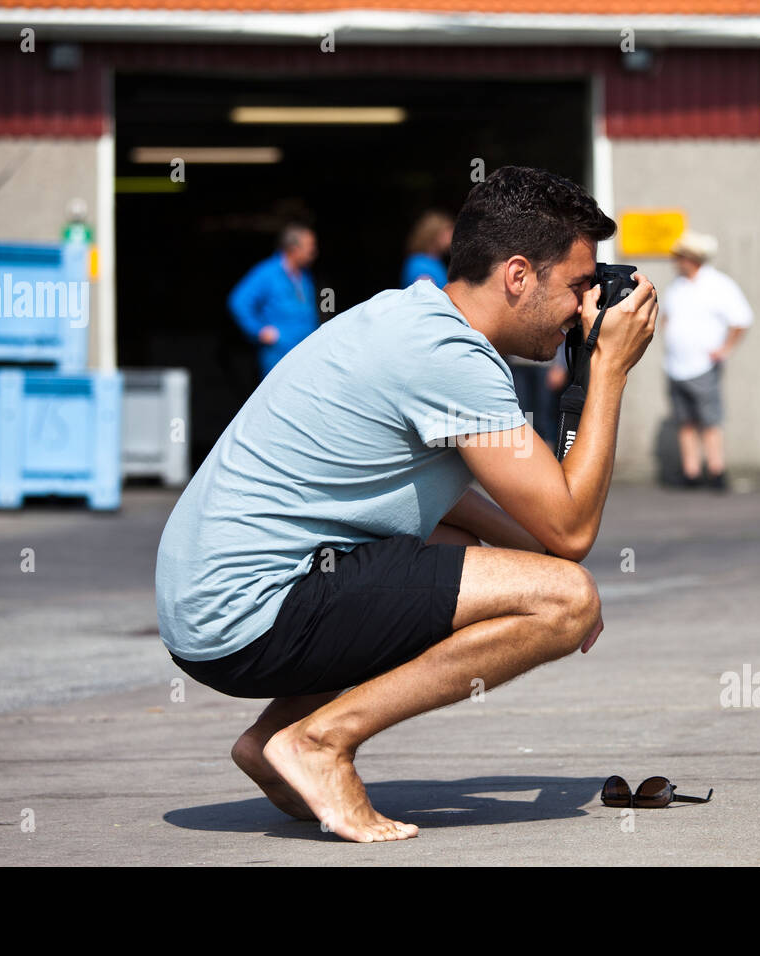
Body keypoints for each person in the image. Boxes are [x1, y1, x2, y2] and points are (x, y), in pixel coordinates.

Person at [156, 166, 657, 843]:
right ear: (517, 276)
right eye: (575, 286)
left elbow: (478, 515)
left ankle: (272, 741)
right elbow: (569, 528)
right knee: (566, 599)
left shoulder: (413, 318)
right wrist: (609, 371)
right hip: (245, 615)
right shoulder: (448, 358)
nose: (584, 307)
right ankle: (321, 742)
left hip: (213, 606)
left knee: (482, 561)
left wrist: (531, 571)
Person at [659, 231, 753, 491]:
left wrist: (725, 349)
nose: (676, 261)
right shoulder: (676, 286)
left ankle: (716, 470)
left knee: (709, 420)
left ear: (693, 258)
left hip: (703, 367)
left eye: (680, 256)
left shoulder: (718, 284)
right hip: (676, 365)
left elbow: (742, 319)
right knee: (685, 421)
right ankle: (691, 472)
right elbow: (668, 316)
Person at [227, 224, 320, 380]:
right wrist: (258, 330)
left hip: (305, 350)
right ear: (294, 249)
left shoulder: (304, 274)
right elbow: (239, 302)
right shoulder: (267, 272)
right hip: (279, 352)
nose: (313, 252)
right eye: (309, 247)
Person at [400, 210, 453, 288]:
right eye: (447, 232)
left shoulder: (435, 262)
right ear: (434, 233)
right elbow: (425, 297)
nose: (451, 238)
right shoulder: (420, 264)